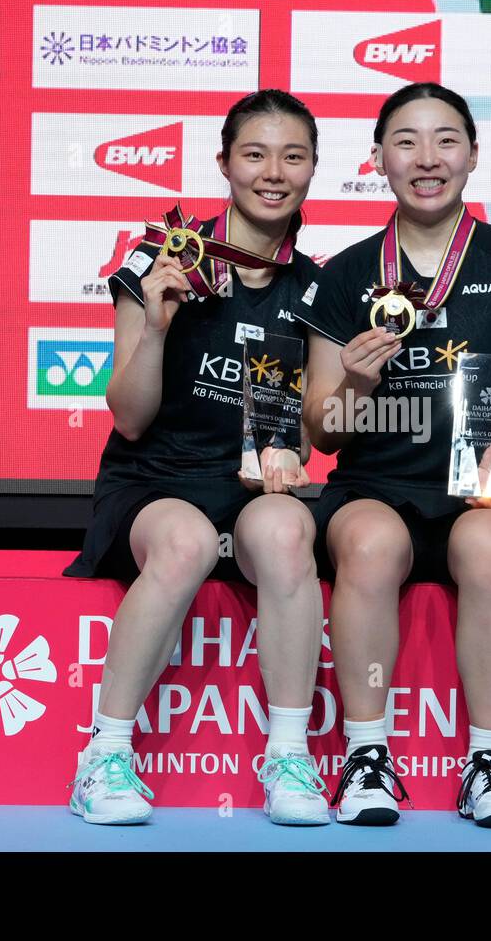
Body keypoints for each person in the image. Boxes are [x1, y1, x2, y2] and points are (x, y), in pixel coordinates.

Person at [295, 82, 491, 828]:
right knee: (368, 541)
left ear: (474, 155)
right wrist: (355, 381)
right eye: (407, 141)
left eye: (447, 140)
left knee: (487, 545)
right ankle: (367, 759)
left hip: (483, 487)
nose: (428, 158)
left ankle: (488, 763)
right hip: (373, 487)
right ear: (379, 158)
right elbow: (323, 429)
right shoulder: (347, 274)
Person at [62, 89, 329, 826]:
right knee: (180, 542)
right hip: (154, 480)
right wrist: (155, 323)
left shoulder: (318, 288)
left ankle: (288, 756)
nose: (273, 171)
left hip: (245, 486)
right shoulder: (162, 257)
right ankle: (104, 755)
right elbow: (131, 415)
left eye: (293, 155)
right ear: (224, 163)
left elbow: (308, 430)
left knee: (285, 530)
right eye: (254, 154)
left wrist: (290, 454)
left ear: (312, 169)